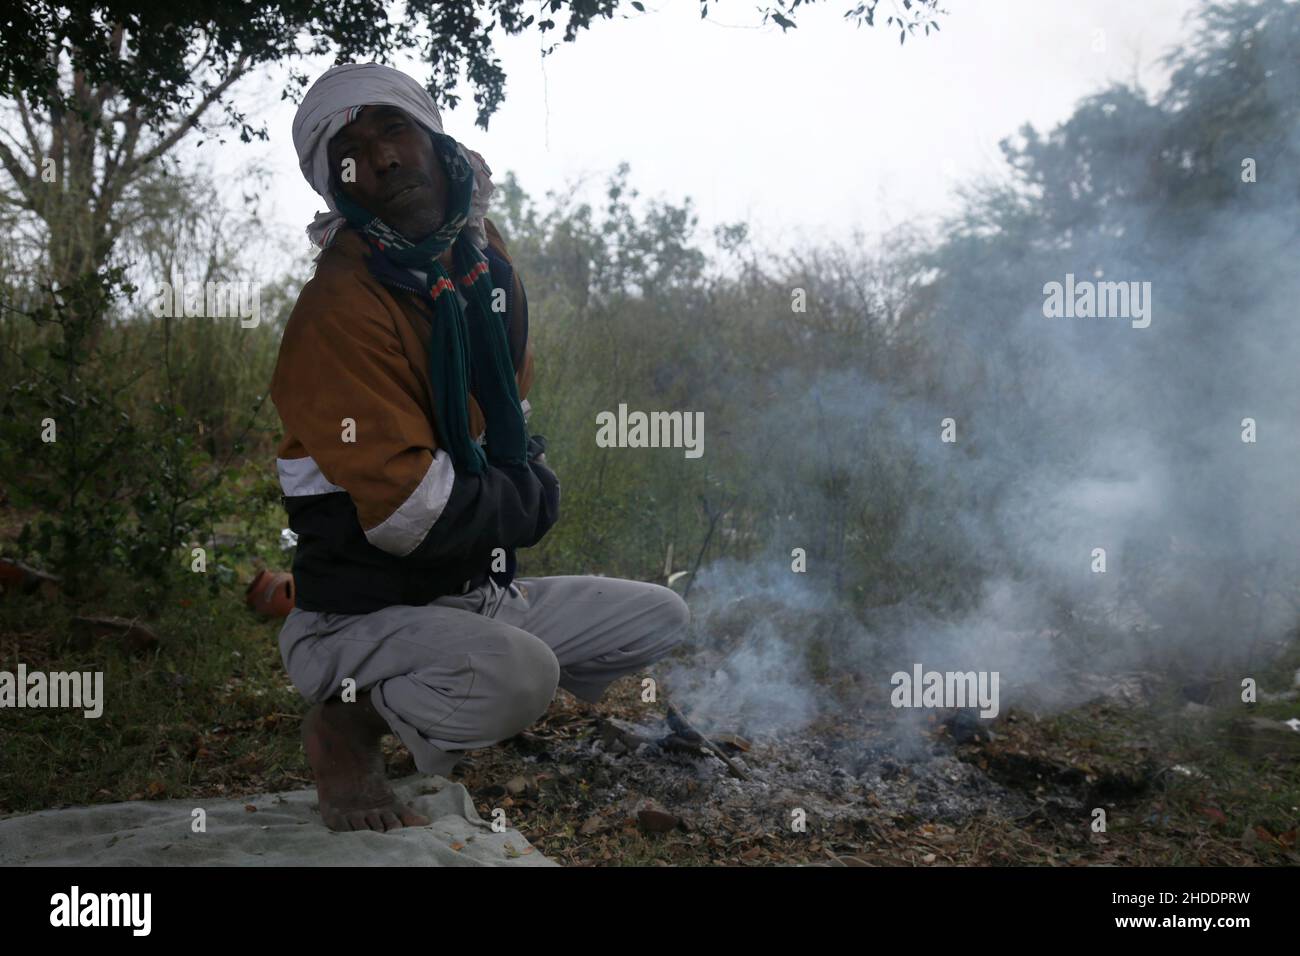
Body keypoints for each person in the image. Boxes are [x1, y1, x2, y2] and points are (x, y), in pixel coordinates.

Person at [270, 63, 689, 833]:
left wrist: (519, 484)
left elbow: (509, 431)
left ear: (435, 141)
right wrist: (529, 493)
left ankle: (461, 666)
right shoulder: (340, 307)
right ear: (341, 189)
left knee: (660, 616)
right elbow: (411, 518)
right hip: (361, 615)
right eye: (353, 152)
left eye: (394, 129)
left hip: (471, 595)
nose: (384, 157)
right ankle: (347, 722)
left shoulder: (480, 257)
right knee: (520, 675)